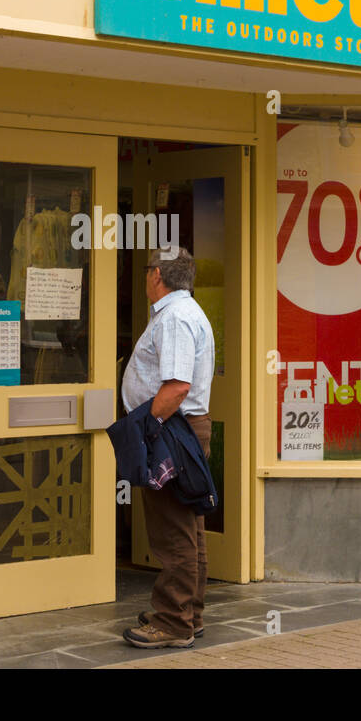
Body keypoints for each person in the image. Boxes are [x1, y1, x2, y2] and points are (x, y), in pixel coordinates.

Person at [119, 245, 215, 649]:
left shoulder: (174, 317)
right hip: (181, 429)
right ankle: (188, 613)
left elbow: (176, 386)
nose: (145, 277)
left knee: (172, 530)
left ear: (156, 274)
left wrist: (145, 427)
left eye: (146, 271)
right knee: (189, 525)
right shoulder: (186, 311)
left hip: (171, 430)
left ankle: (173, 623)